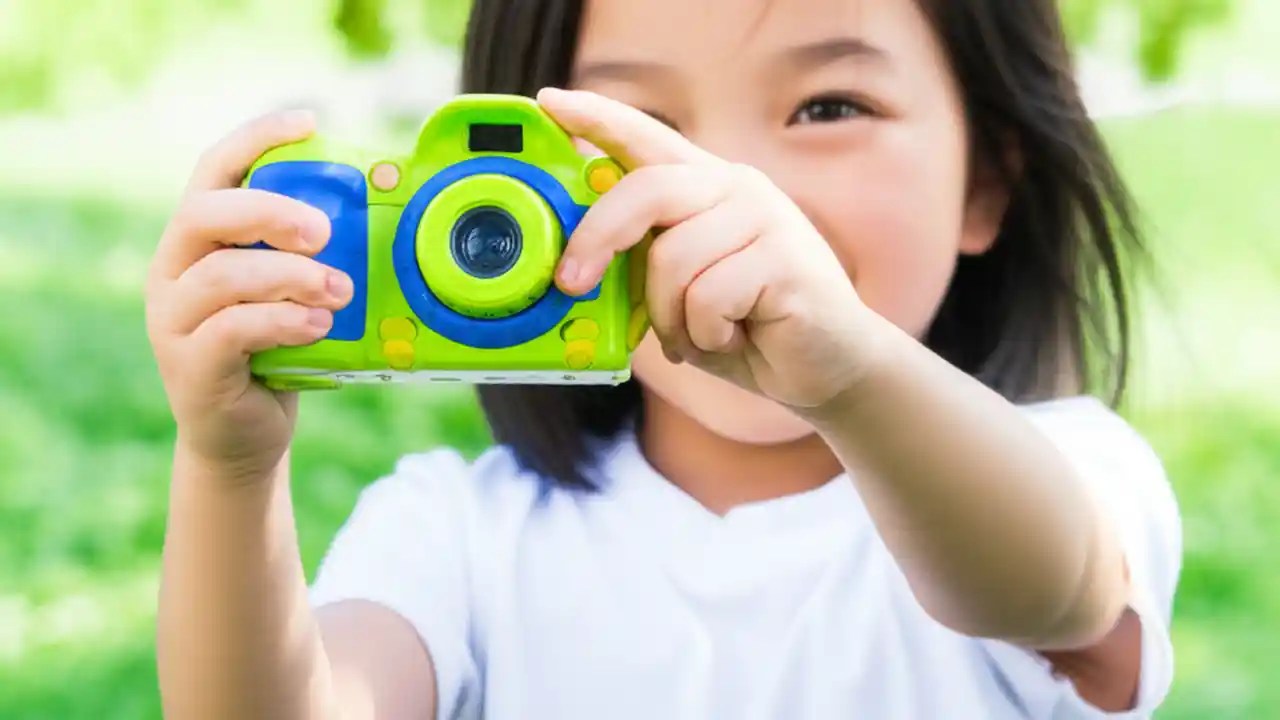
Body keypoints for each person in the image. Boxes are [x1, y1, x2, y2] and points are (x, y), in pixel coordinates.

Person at [145, 0, 1183, 717]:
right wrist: (229, 471)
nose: (724, 187)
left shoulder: (1067, 472)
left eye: (828, 107)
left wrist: (849, 375)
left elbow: (1053, 587)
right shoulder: (454, 534)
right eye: (634, 127)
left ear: (986, 182)